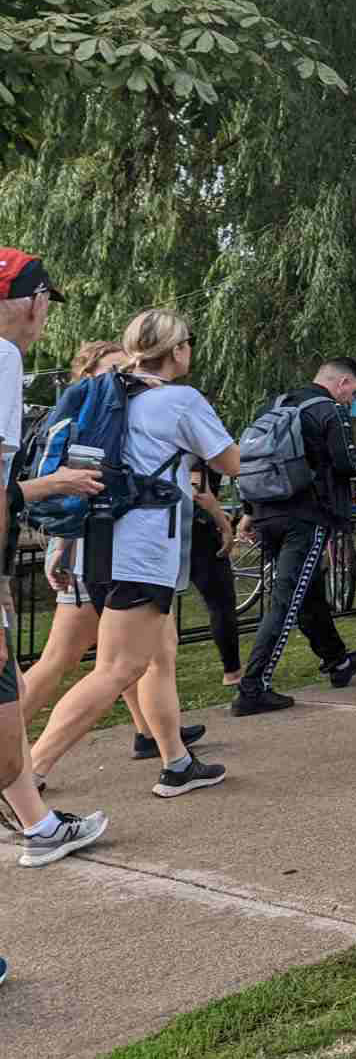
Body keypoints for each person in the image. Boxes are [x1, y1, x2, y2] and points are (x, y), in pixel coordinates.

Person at [32, 308, 236, 799]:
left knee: (154, 657)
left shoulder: (107, 394)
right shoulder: (180, 400)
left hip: (98, 543)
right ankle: (26, 772)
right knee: (118, 668)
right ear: (177, 350)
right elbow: (230, 461)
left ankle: (177, 763)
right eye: (188, 343)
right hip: (143, 550)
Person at [15, 341, 206, 763]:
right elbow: (81, 493)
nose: (127, 375)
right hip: (95, 552)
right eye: (116, 368)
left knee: (134, 657)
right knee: (103, 661)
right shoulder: (97, 419)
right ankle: (23, 758)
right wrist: (63, 548)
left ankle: (154, 736)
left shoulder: (112, 417)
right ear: (90, 376)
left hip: (94, 551)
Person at [0, 250, 108, 867]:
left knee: (11, 691)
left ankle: (39, 826)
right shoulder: (4, 357)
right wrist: (54, 484)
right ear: (35, 302)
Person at [232, 357, 356, 715]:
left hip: (267, 512)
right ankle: (252, 687)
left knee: (307, 590)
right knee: (286, 601)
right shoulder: (328, 410)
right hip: (305, 516)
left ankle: (337, 660)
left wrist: (249, 512)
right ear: (343, 383)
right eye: (354, 393)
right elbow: (346, 463)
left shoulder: (276, 405)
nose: (352, 400)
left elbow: (254, 459)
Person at [188, 463, 243, 689]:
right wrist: (221, 521)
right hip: (197, 530)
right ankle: (232, 671)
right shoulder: (196, 446)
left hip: (162, 527)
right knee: (221, 602)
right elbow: (197, 488)